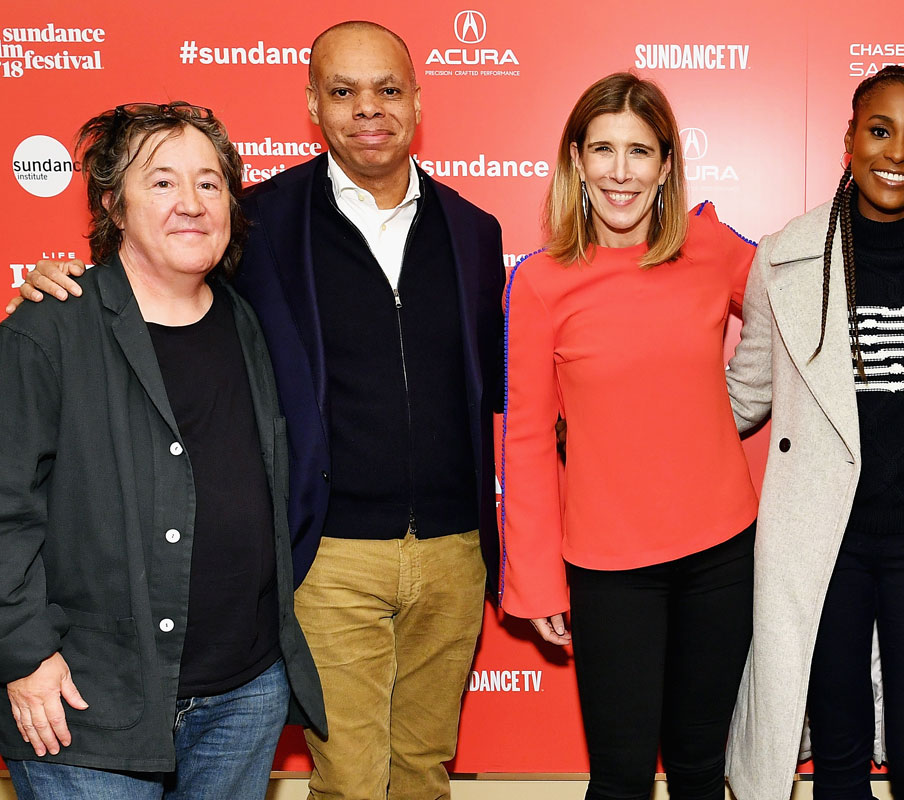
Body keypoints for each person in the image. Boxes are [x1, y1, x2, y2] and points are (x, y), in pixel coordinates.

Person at [9, 21, 506, 800]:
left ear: (418, 100)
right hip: (330, 556)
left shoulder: (475, 231)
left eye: (387, 89)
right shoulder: (260, 222)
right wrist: (64, 278)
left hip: (451, 553)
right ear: (313, 103)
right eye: (342, 91)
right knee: (349, 779)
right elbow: (153, 273)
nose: (366, 109)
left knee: (422, 771)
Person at [0, 102, 324, 799]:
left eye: (209, 184)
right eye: (163, 182)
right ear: (113, 205)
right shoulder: (49, 329)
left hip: (243, 695)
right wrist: (24, 656)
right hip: (89, 706)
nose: (192, 203)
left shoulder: (247, 320)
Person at [724, 66, 904, 800]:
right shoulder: (786, 256)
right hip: (825, 544)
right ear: (848, 139)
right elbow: (745, 396)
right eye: (879, 130)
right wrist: (630, 417)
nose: (897, 152)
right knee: (841, 760)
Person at [502, 72, 757, 800]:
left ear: (667, 164)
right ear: (576, 160)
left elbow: (803, 299)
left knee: (703, 772)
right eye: (604, 150)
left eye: (640, 152)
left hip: (722, 553)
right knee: (619, 779)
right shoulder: (541, 281)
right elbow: (522, 440)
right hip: (609, 569)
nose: (621, 171)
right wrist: (537, 578)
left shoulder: (711, 248)